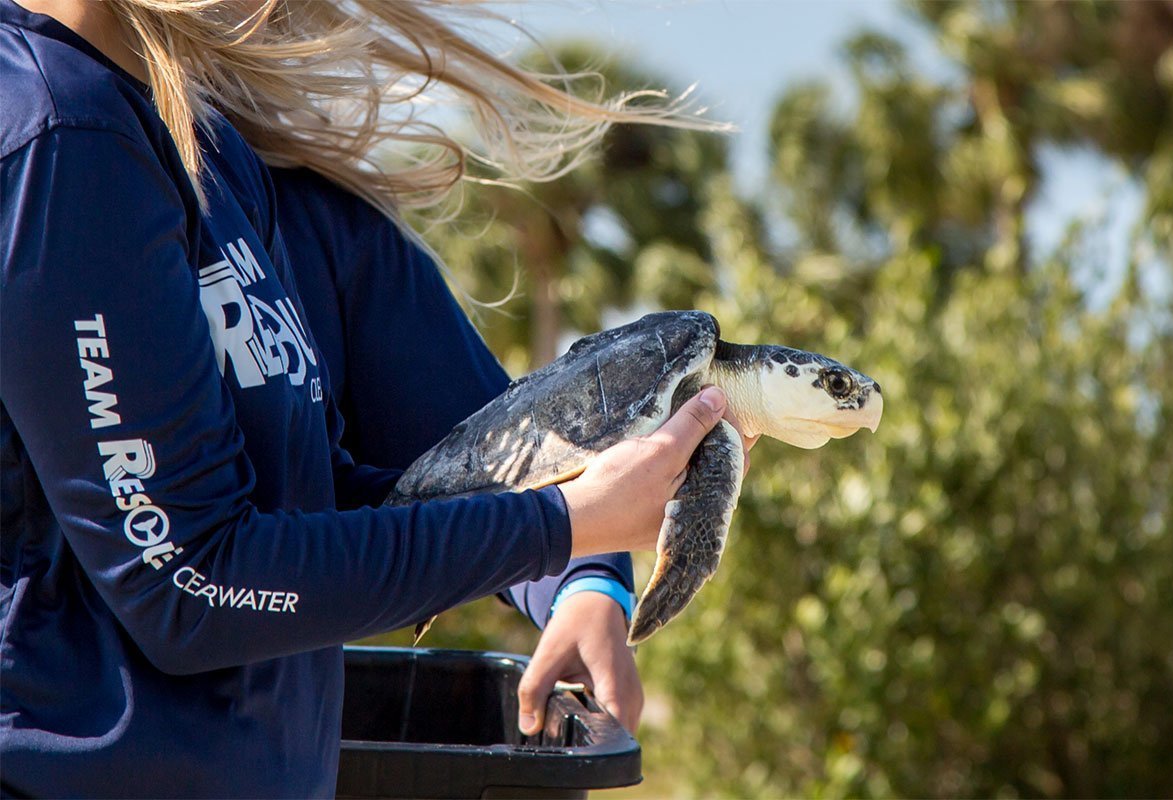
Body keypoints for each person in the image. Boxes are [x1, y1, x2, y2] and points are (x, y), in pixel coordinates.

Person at [0, 0, 748, 796]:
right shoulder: (59, 135)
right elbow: (191, 584)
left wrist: (583, 564)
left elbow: (335, 494)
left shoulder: (202, 144)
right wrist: (558, 524)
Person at [271, 166, 643, 736]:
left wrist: (586, 582)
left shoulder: (321, 220)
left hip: (287, 750)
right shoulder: (99, 159)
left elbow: (499, 454)